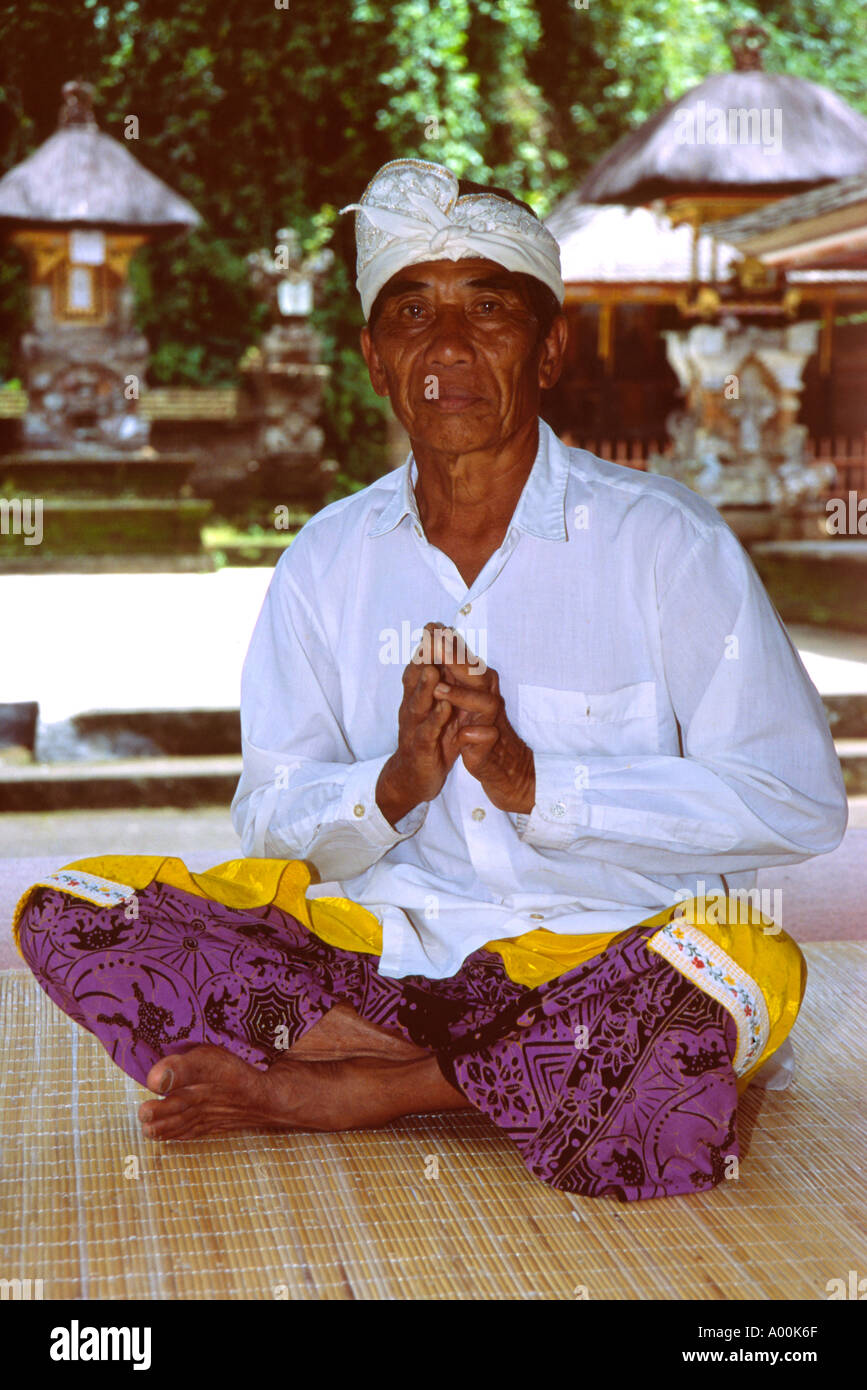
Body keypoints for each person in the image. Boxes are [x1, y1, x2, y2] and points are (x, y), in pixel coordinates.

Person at [14, 158, 847, 1200]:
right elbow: (267, 819)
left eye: (487, 308)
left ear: (547, 350)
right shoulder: (322, 561)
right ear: (373, 355)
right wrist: (394, 784)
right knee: (78, 914)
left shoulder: (665, 545)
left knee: (743, 972)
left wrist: (539, 783)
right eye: (413, 310)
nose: (448, 345)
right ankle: (484, 1074)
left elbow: (802, 802)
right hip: (382, 965)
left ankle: (359, 1089)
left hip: (606, 960)